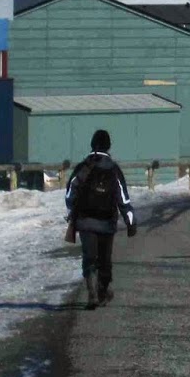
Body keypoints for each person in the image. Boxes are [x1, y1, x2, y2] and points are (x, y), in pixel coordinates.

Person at [65, 129, 136, 309]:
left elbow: (69, 195)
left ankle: (92, 293)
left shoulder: (83, 167)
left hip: (85, 221)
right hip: (107, 222)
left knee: (89, 257)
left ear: (92, 144)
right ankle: (103, 291)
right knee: (105, 259)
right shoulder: (113, 169)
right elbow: (123, 198)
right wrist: (130, 221)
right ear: (108, 146)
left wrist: (74, 210)